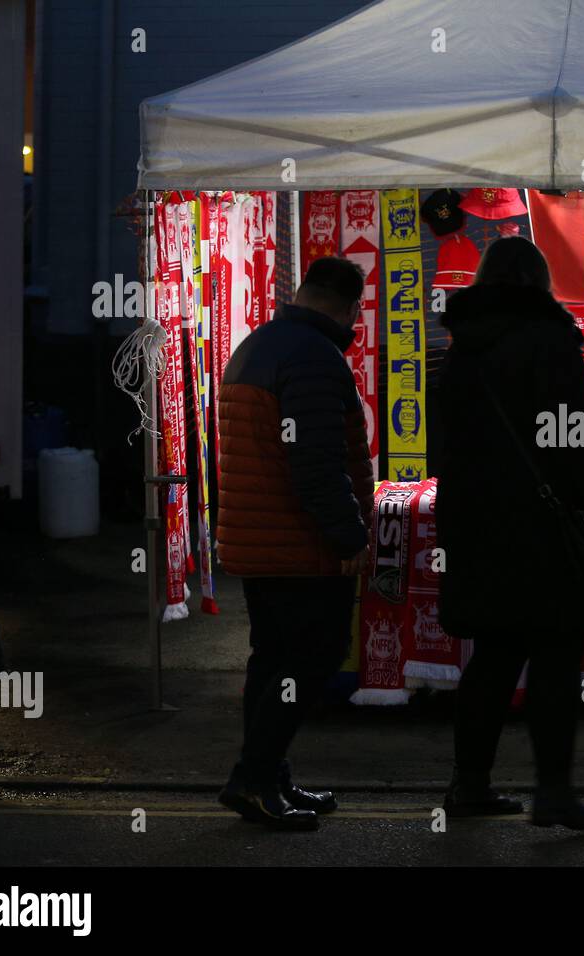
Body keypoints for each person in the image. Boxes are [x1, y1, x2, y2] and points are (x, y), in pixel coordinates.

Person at [436, 236, 584, 830]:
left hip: (476, 526)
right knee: (554, 658)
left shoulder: (459, 350)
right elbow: (578, 440)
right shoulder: (549, 343)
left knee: (492, 657)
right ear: (540, 284)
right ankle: (553, 792)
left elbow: (448, 447)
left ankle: (469, 786)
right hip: (547, 531)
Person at [215, 257, 375, 831]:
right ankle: (254, 779)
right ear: (347, 304)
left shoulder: (260, 344)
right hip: (296, 544)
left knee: (274, 659)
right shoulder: (311, 357)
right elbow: (315, 463)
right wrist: (349, 534)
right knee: (312, 658)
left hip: (260, 541)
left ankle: (269, 775)